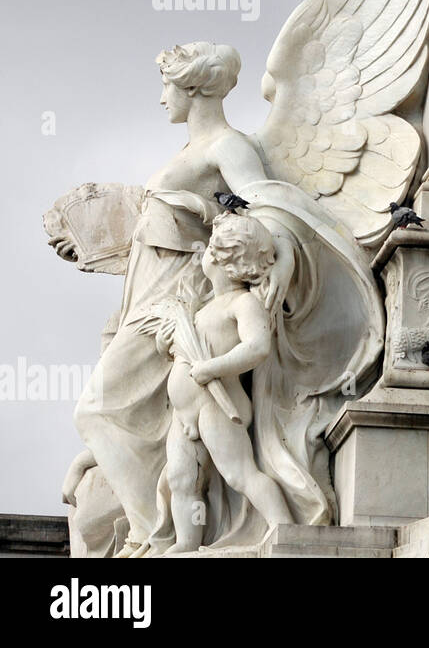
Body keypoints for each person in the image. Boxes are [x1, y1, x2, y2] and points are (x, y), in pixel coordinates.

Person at [71, 42, 290, 557]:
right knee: (115, 413)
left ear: (191, 88)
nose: (161, 98)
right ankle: (155, 528)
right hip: (146, 298)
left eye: (166, 86)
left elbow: (270, 208)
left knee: (97, 410)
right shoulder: (189, 153)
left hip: (175, 303)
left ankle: (152, 534)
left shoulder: (228, 146)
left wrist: (272, 262)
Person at [159, 212, 293, 554]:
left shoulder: (242, 303)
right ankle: (188, 540)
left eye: (208, 249)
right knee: (181, 479)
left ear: (221, 258)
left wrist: (212, 368)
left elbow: (257, 347)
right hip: (184, 411)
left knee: (239, 474)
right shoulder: (202, 309)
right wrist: (167, 343)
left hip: (218, 406)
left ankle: (285, 528)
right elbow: (181, 351)